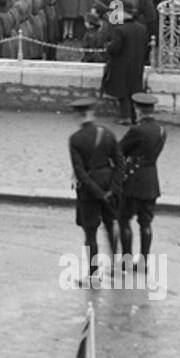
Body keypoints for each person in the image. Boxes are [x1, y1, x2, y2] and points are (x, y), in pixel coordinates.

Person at [68, 98, 122, 286]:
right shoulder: (107, 134)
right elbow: (120, 163)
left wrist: (98, 193)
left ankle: (93, 276)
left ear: (78, 114)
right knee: (110, 226)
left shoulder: (75, 139)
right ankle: (115, 267)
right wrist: (113, 189)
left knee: (90, 234)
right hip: (108, 184)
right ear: (92, 113)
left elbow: (80, 172)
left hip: (90, 191)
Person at [117, 92, 167, 273]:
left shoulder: (136, 130)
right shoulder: (162, 130)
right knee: (146, 223)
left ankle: (126, 261)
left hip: (132, 180)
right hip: (152, 180)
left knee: (124, 220)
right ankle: (144, 261)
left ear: (138, 110)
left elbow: (120, 150)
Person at [101, 0, 149, 123]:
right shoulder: (142, 28)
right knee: (134, 90)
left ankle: (125, 117)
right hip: (137, 64)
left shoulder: (120, 30)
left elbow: (115, 48)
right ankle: (136, 116)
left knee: (123, 92)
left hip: (121, 65)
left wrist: (108, 46)